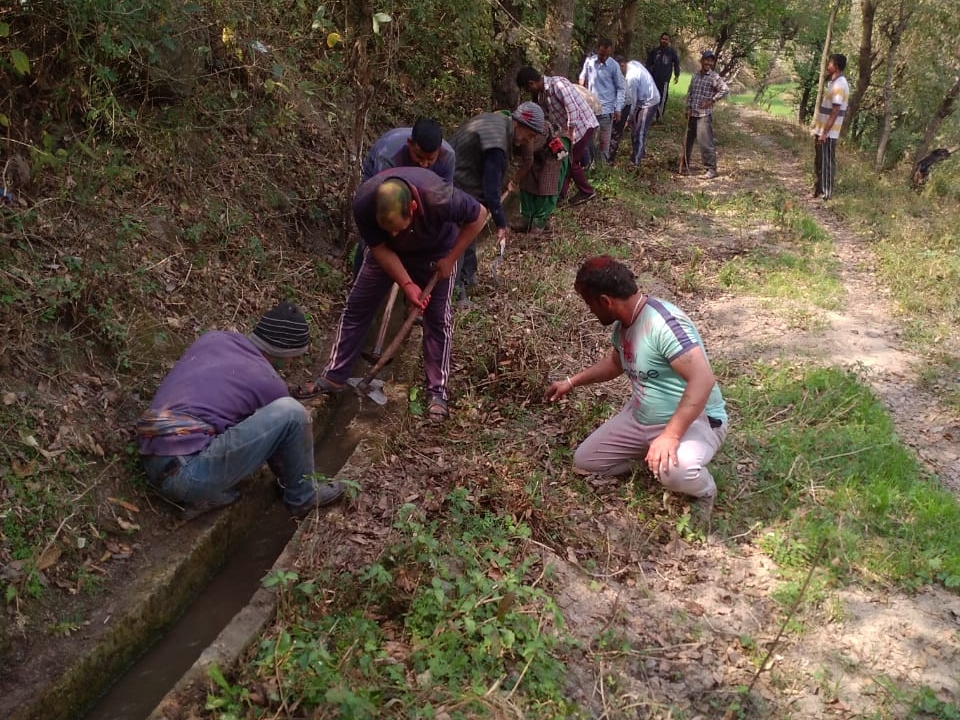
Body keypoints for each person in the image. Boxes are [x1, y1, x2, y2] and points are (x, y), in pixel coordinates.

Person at [545, 256, 727, 530]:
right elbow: (616, 362)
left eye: (590, 304)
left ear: (605, 301)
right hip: (642, 417)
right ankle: (652, 458)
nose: (590, 311)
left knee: (675, 472)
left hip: (696, 421)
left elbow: (703, 380)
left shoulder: (663, 324)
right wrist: (572, 381)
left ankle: (703, 490)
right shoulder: (624, 325)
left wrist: (671, 435)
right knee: (585, 462)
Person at [297, 167, 488, 421]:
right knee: (357, 307)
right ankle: (334, 376)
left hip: (436, 253)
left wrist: (450, 259)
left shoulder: (439, 197)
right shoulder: (364, 203)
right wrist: (408, 285)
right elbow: (380, 248)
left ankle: (437, 391)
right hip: (386, 255)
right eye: (389, 230)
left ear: (412, 208)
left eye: (399, 228)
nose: (395, 234)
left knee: (438, 319)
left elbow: (480, 216)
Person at [135, 303, 345, 520]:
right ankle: (304, 497)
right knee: (292, 412)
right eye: (294, 356)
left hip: (152, 460)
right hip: (188, 473)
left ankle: (202, 495)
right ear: (283, 352)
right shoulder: (268, 381)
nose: (293, 362)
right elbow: (279, 445)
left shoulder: (214, 338)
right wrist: (289, 479)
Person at [448, 102, 546, 294]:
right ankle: (456, 288)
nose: (528, 141)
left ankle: (468, 276)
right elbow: (491, 189)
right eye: (530, 135)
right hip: (457, 182)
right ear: (519, 125)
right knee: (459, 238)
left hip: (461, 176)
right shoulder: (497, 145)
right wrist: (501, 223)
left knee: (470, 227)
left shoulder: (499, 121)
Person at [352, 117, 456, 276]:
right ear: (410, 144)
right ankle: (362, 275)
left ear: (439, 151)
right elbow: (385, 200)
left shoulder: (447, 157)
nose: (424, 164)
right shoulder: (387, 157)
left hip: (420, 189)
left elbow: (442, 199)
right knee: (377, 231)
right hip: (382, 181)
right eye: (419, 157)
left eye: (430, 159)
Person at [517, 65, 599, 206]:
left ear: (532, 83)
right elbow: (545, 116)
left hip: (583, 125)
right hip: (570, 129)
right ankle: (560, 196)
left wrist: (570, 134)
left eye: (527, 89)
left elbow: (572, 109)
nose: (528, 91)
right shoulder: (542, 95)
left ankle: (587, 191)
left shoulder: (558, 84)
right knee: (564, 160)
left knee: (571, 162)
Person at [578, 38, 625, 164]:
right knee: (589, 141)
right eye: (601, 54)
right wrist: (582, 95)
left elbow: (621, 88)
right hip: (590, 109)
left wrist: (618, 108)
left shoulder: (614, 66)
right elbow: (582, 78)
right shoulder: (589, 62)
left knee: (604, 143)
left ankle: (602, 170)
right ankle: (589, 167)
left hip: (606, 110)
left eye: (607, 55)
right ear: (597, 49)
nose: (604, 57)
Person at [683, 50, 729, 179]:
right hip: (692, 113)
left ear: (713, 63)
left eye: (711, 61)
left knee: (705, 142)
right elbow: (690, 93)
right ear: (701, 60)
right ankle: (684, 165)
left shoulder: (714, 77)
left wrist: (711, 100)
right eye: (706, 60)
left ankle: (711, 169)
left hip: (704, 115)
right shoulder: (695, 76)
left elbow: (725, 90)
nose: (708, 62)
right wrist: (687, 108)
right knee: (687, 141)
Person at [812, 54, 850, 201]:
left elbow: (835, 111)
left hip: (829, 133)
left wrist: (825, 133)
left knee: (827, 162)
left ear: (836, 66)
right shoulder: (834, 83)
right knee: (819, 161)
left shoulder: (840, 85)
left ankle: (827, 194)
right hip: (822, 130)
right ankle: (818, 189)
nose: (828, 66)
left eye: (830, 63)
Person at [619, 58, 661, 166]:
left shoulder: (631, 78)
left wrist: (627, 119)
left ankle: (636, 162)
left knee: (639, 131)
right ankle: (640, 152)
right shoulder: (632, 63)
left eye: (619, 69)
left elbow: (631, 102)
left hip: (649, 101)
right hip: (642, 100)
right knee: (634, 129)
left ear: (623, 65)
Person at [645, 33, 681, 122]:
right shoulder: (655, 51)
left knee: (663, 98)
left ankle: (659, 117)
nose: (664, 41)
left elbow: (676, 63)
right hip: (653, 79)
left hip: (665, 80)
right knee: (652, 97)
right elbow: (648, 64)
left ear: (669, 41)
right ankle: (650, 116)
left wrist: (677, 75)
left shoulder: (671, 52)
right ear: (660, 39)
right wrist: (647, 75)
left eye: (666, 39)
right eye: (663, 39)